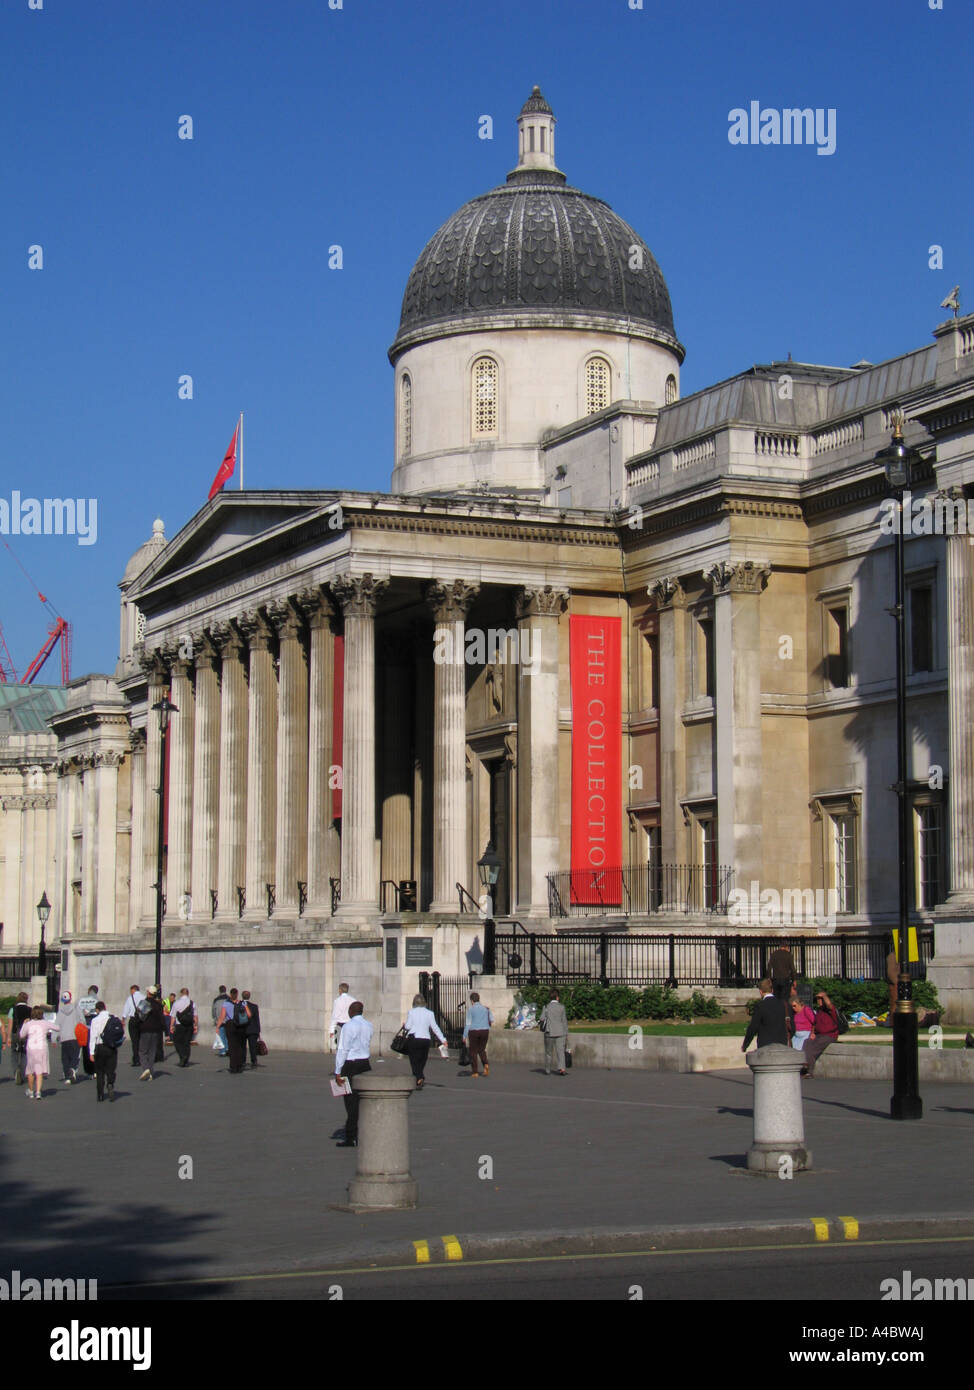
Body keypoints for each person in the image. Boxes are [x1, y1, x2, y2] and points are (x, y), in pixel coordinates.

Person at [334, 1000, 372, 1147]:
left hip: (350, 1065)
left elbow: (343, 1049)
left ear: (351, 1011)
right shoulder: (369, 1025)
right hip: (365, 1064)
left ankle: (351, 1136)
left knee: (350, 1101)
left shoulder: (348, 1026)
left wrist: (338, 1071)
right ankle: (363, 1131)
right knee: (363, 1099)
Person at [403, 993, 446, 1089]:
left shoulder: (411, 1012)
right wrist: (443, 1039)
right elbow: (435, 1028)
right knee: (422, 1059)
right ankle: (419, 1076)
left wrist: (404, 1025)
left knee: (414, 1060)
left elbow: (408, 1026)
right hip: (426, 1039)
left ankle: (419, 1077)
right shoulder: (430, 1013)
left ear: (414, 1003)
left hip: (414, 1039)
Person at [20, 1005, 57, 1100]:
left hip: (31, 1048)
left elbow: (22, 1035)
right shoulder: (45, 1023)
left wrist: (24, 1024)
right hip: (42, 1048)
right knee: (39, 1070)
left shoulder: (29, 1024)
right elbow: (57, 1028)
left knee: (30, 1070)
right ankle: (38, 1092)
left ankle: (31, 1091)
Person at [742, 979, 789, 1051]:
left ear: (760, 991)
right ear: (772, 990)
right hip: (781, 1045)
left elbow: (753, 1027)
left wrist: (745, 1045)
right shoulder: (782, 1005)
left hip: (766, 1045)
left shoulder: (760, 1006)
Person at [802, 990, 840, 1078]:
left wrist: (824, 996)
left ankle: (809, 1071)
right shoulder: (819, 1011)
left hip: (829, 1035)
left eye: (820, 999)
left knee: (813, 1049)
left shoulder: (829, 1009)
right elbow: (815, 1023)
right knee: (807, 1042)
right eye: (817, 999)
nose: (818, 1001)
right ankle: (805, 1065)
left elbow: (829, 1005)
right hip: (819, 1035)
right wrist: (812, 1033)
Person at [88, 1001, 120, 1102]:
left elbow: (92, 1037)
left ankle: (100, 1095)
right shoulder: (113, 1017)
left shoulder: (95, 1020)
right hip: (111, 1047)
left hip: (99, 1047)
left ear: (97, 1010)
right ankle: (110, 1083)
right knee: (111, 1069)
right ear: (105, 1008)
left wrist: (91, 1052)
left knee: (100, 1072)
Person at [55, 991, 87, 1085]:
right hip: (75, 1036)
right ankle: (73, 1069)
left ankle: (67, 1077)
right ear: (70, 998)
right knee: (75, 1055)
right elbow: (82, 1021)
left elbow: (57, 1025)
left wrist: (54, 1037)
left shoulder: (60, 1011)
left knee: (65, 1058)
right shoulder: (76, 1008)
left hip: (64, 1037)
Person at [218, 988, 250, 1074]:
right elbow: (249, 1014)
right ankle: (239, 1066)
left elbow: (222, 1016)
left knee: (232, 1046)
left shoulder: (226, 1003)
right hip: (240, 1025)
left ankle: (233, 1066)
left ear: (230, 994)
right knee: (240, 1046)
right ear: (237, 994)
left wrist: (218, 1027)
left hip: (230, 1025)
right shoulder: (243, 1003)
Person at [137, 986, 165, 1080]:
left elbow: (138, 1016)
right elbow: (162, 1018)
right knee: (152, 1052)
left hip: (145, 1029)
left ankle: (146, 1069)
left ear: (148, 993)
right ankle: (151, 1072)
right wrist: (164, 1030)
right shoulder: (158, 1005)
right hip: (156, 1030)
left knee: (142, 1051)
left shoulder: (144, 1002)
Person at [463, 992, 493, 1078]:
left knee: (473, 1051)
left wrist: (464, 1036)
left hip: (474, 1031)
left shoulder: (471, 1010)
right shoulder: (486, 1009)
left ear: (472, 1000)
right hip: (485, 1031)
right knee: (482, 1049)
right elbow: (491, 1019)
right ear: (479, 999)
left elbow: (468, 1023)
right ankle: (485, 1064)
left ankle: (475, 1071)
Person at [539, 990, 570, 1075]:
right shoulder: (562, 1007)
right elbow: (564, 1021)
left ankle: (547, 1069)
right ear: (557, 997)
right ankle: (562, 1069)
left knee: (548, 1052)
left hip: (549, 1031)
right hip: (560, 1032)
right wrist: (566, 1032)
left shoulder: (546, 1007)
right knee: (560, 1052)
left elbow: (541, 1018)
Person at [7, 992, 32, 1086]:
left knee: (14, 1053)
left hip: (15, 1033)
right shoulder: (30, 1010)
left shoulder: (13, 1009)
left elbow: (10, 1024)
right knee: (24, 1054)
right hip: (26, 1035)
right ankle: (22, 1072)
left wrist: (9, 1037)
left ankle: (16, 1071)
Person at [170, 989, 197, 1067]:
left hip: (179, 1025)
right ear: (188, 993)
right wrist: (195, 1026)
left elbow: (173, 1016)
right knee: (187, 1043)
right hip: (189, 1025)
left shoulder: (176, 1003)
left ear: (181, 994)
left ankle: (182, 1056)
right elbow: (195, 1016)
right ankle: (186, 1060)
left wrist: (171, 1026)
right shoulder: (192, 1003)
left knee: (177, 1042)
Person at [122, 985, 145, 1067]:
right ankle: (142, 1058)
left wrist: (123, 1019)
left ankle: (136, 1059)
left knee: (134, 1041)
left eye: (131, 991)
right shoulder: (144, 997)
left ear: (133, 990)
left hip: (133, 1020)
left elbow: (126, 1009)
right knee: (141, 1040)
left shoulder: (130, 998)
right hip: (142, 1020)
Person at [329, 984, 357, 1049]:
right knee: (350, 1047)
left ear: (340, 990)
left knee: (340, 1047)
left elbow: (335, 1017)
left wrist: (331, 1030)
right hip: (350, 1025)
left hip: (340, 1026)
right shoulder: (353, 1000)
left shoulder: (337, 1001)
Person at [789, 984, 815, 1050]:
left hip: (805, 1035)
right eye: (792, 1006)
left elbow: (815, 1022)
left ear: (799, 1004)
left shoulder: (806, 1010)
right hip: (796, 1036)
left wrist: (812, 1033)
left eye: (794, 1006)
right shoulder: (794, 1013)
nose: (793, 1008)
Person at [241, 990, 262, 1067]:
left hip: (242, 1029)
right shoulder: (254, 1006)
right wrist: (258, 1030)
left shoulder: (239, 1005)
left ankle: (242, 1060)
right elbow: (257, 1019)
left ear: (242, 996)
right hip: (253, 1029)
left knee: (242, 1046)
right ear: (249, 997)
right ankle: (254, 1060)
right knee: (252, 1047)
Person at [211, 985, 231, 1056]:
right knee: (228, 1036)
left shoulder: (216, 1000)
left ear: (219, 991)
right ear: (225, 990)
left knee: (221, 1036)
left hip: (219, 1020)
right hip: (228, 1020)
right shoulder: (229, 999)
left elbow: (213, 1010)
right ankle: (228, 1049)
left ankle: (222, 1051)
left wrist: (214, 1018)